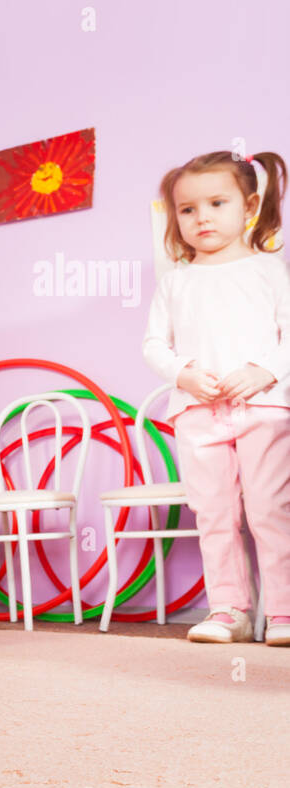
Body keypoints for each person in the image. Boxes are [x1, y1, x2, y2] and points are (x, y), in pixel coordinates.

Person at [143, 149, 290, 647]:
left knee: (270, 509)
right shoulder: (176, 282)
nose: (201, 216)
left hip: (263, 409)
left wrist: (262, 369)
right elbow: (154, 345)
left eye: (216, 203)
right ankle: (230, 610)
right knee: (214, 514)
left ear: (248, 205)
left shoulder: (270, 270)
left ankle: (285, 612)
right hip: (197, 415)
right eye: (187, 209)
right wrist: (182, 374)